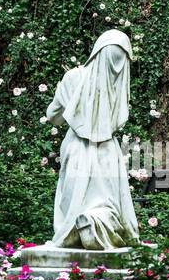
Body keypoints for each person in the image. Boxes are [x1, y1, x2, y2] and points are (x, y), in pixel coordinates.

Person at [44, 29, 140, 249]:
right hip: (107, 149)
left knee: (74, 196)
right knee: (107, 200)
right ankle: (96, 223)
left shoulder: (74, 77)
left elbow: (53, 117)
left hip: (77, 147)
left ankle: (77, 229)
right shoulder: (117, 83)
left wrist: (65, 95)